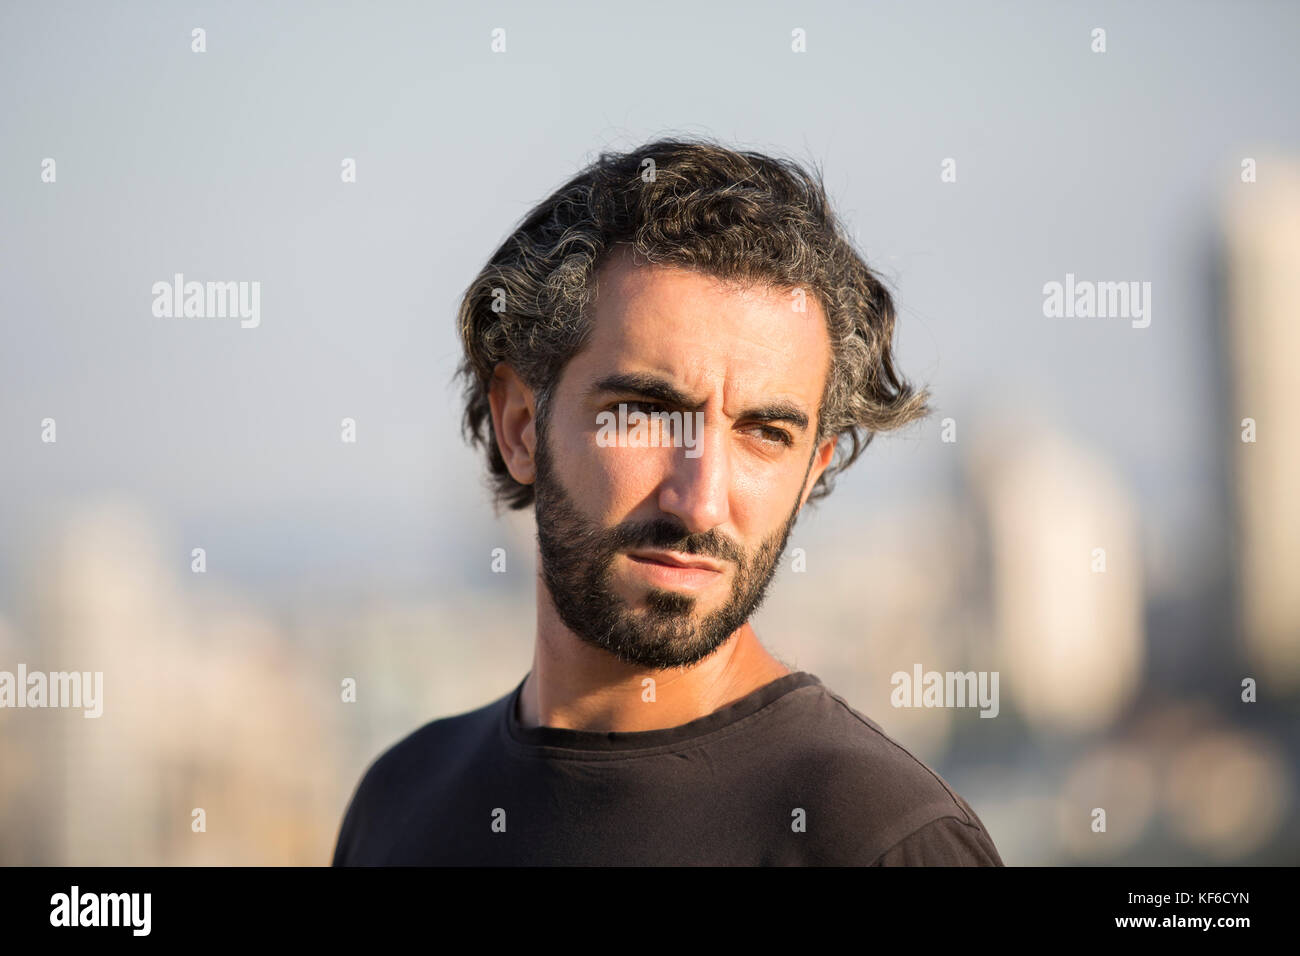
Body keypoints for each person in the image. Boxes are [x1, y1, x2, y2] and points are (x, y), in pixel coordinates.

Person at [332, 137, 1003, 866]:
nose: (700, 502)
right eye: (646, 412)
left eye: (765, 433)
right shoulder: (400, 803)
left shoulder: (885, 840)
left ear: (814, 470)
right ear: (521, 426)